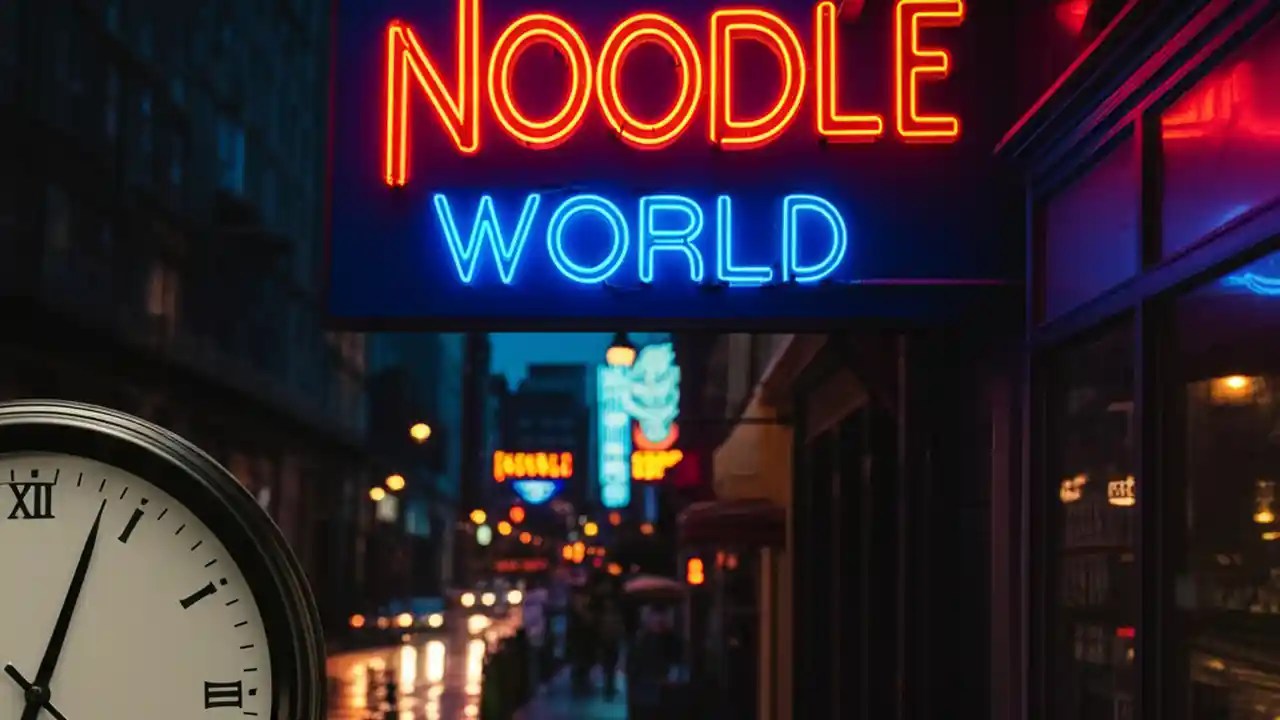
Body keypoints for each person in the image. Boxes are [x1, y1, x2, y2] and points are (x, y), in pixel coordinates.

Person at [597, 596, 626, 700]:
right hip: (608, 643)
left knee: (609, 667)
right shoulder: (609, 616)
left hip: (610, 642)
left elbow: (620, 629)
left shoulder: (606, 616)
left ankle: (609, 688)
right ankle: (609, 688)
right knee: (609, 667)